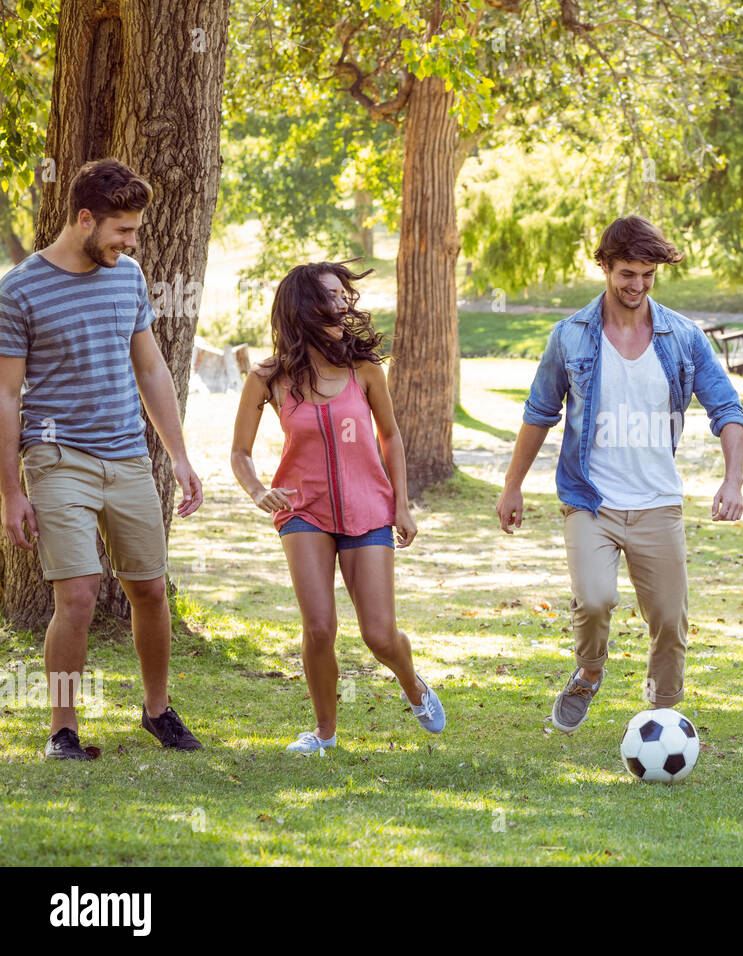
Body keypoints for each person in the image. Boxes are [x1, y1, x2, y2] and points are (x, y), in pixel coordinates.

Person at [495, 215, 743, 732]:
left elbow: (727, 407)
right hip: (591, 500)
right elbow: (540, 412)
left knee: (670, 621)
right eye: (627, 273)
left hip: (658, 501)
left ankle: (662, 718)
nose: (637, 285)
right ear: (605, 266)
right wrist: (512, 485)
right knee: (594, 599)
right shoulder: (570, 337)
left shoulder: (682, 336)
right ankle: (589, 672)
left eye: (648, 275)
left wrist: (733, 479)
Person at [0, 158, 204, 760]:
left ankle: (158, 711)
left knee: (149, 589)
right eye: (123, 230)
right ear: (84, 218)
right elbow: (7, 395)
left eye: (135, 231)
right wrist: (11, 491)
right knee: (80, 592)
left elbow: (150, 368)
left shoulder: (129, 277)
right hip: (56, 455)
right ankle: (63, 731)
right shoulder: (19, 290)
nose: (131, 242)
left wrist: (181, 457)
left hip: (129, 456)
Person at [231, 261, 441, 753]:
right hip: (303, 510)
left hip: (368, 507)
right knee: (320, 626)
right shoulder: (268, 377)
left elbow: (389, 435)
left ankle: (413, 685)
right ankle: (324, 733)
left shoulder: (363, 369)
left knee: (380, 636)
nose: (345, 303)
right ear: (304, 306)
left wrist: (402, 506)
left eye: (346, 295)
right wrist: (258, 489)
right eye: (333, 295)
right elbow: (239, 452)